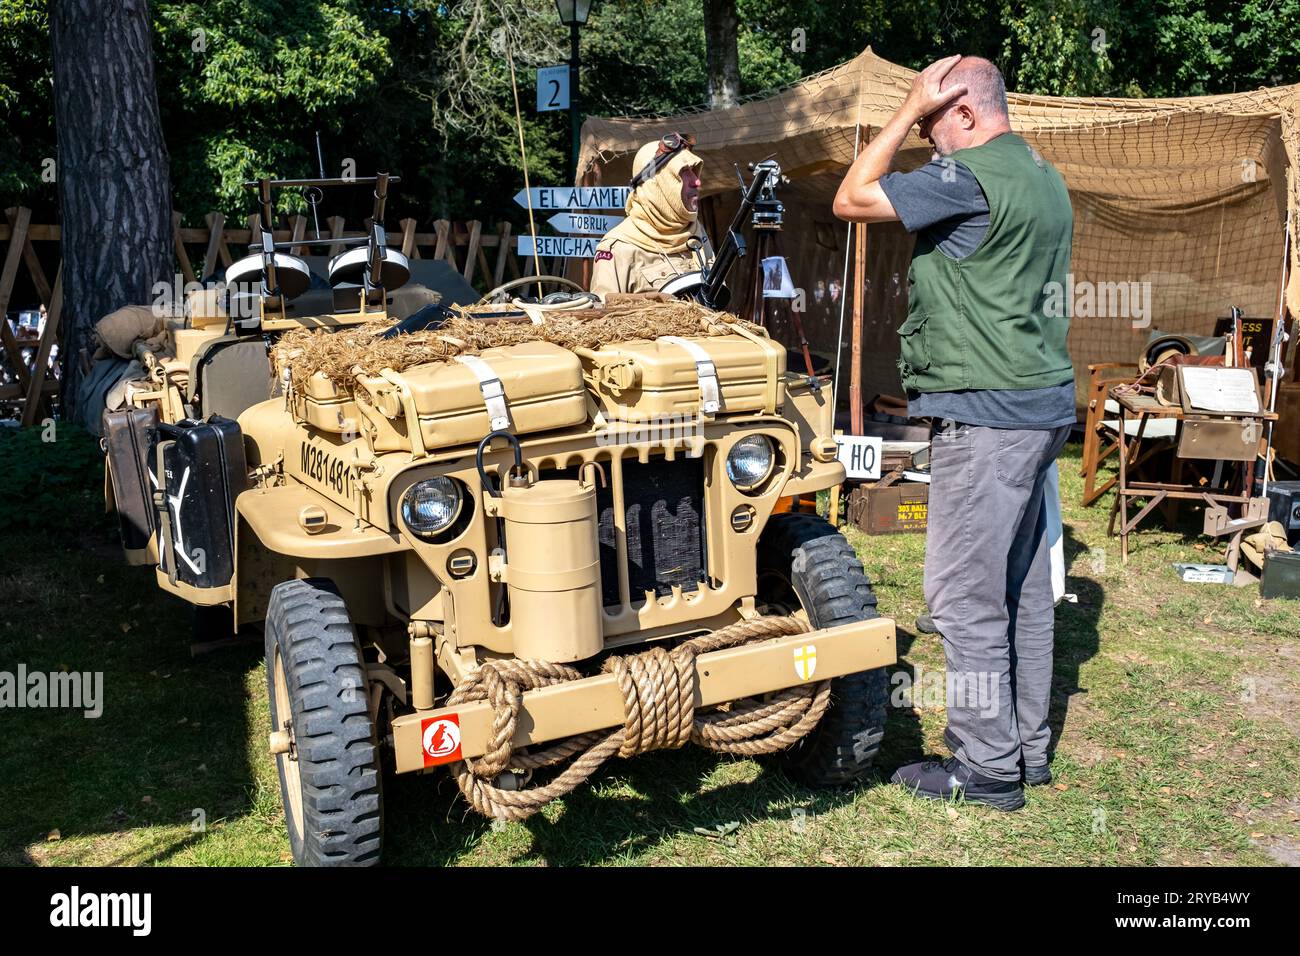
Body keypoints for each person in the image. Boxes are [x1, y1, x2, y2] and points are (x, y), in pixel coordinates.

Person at [833, 55, 1075, 811]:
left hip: (986, 411)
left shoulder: (969, 177)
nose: (929, 142)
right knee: (1023, 589)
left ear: (965, 113)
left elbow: (852, 197)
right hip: (1041, 406)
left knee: (960, 596)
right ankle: (1026, 749)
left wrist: (902, 112)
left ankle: (986, 767)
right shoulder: (1042, 174)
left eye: (935, 123)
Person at [589, 134, 712, 296]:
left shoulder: (696, 233)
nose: (696, 181)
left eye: (693, 171)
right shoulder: (618, 249)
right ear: (658, 184)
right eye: (684, 172)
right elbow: (604, 318)